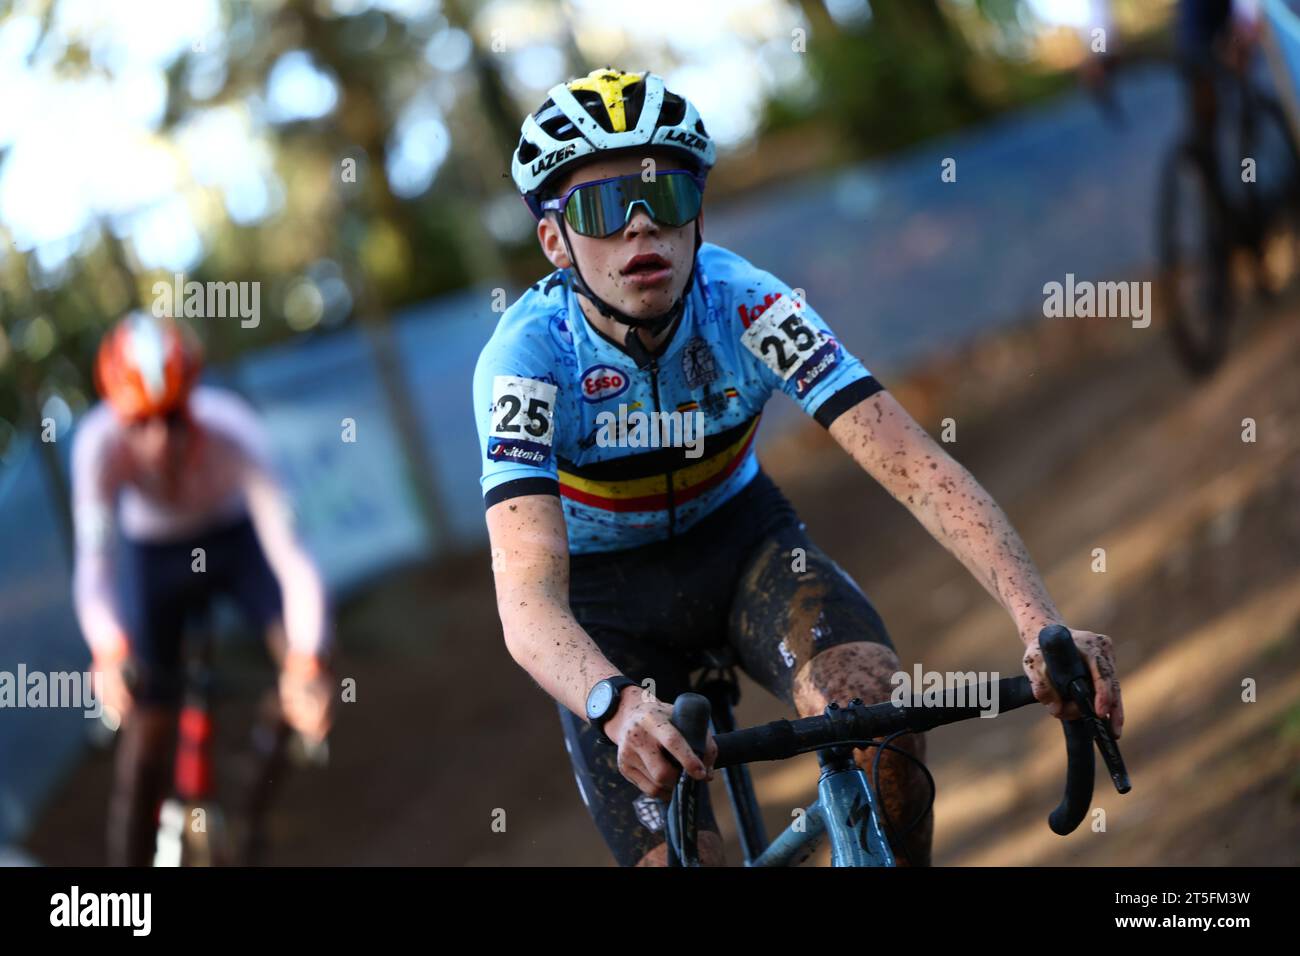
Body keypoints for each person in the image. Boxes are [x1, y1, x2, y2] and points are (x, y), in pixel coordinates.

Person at [474, 68, 1124, 866]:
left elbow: (916, 469)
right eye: (604, 208)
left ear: (697, 216)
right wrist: (612, 703)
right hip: (607, 608)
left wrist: (1041, 625)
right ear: (555, 242)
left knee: (880, 721)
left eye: (665, 196)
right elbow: (528, 600)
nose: (641, 227)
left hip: (746, 549)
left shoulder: (748, 305)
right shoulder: (526, 362)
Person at [72, 312, 333, 865]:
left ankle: (251, 818)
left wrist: (307, 663)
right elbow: (95, 568)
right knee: (146, 730)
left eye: (172, 417)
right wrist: (109, 649)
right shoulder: (96, 446)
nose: (159, 440)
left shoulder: (234, 431)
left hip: (234, 540)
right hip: (154, 555)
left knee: (301, 664)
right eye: (140, 422)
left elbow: (294, 561)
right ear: (116, 415)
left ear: (192, 400)